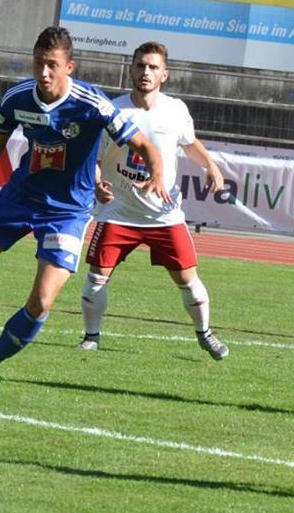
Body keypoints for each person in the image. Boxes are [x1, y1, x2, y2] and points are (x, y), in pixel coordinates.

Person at [0, 26, 169, 391]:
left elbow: (144, 145)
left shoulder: (92, 103)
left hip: (68, 210)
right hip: (21, 197)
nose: (44, 73)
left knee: (42, 299)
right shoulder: (18, 97)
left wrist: (156, 174)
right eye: (38, 63)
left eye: (52, 65)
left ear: (69, 67)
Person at [79, 42, 230, 359]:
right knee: (95, 279)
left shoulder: (176, 110)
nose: (145, 72)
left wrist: (211, 165)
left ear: (164, 74)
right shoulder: (112, 110)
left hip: (164, 214)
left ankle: (205, 333)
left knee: (187, 279)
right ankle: (91, 337)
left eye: (152, 67)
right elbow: (93, 157)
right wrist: (97, 185)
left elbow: (189, 143)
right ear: (131, 70)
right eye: (140, 66)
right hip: (118, 212)